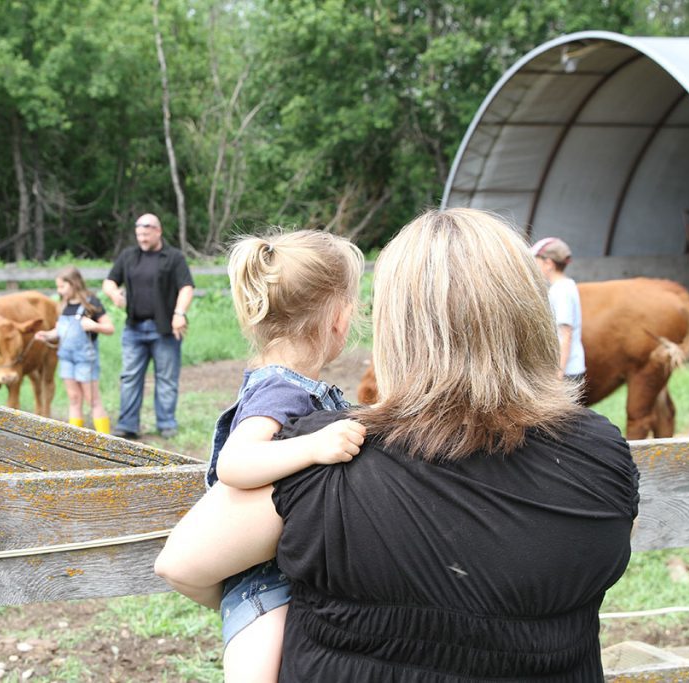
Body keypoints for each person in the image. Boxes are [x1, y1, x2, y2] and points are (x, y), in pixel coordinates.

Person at [156, 208, 639, 682]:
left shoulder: (330, 453)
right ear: (530, 312)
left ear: (397, 328)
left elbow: (183, 565)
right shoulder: (600, 458)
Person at [156, 230, 367, 682]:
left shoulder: (292, 383)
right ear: (338, 316)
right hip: (262, 585)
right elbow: (235, 464)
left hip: (284, 569)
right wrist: (312, 446)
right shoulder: (281, 388)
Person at [102, 213, 194, 439]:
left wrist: (179, 313)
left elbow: (186, 287)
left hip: (164, 329)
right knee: (130, 376)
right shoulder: (129, 256)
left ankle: (166, 424)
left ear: (157, 231)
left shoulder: (173, 257)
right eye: (139, 234)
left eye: (146, 234)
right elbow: (109, 281)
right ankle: (128, 425)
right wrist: (113, 293)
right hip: (134, 328)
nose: (142, 238)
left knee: (166, 378)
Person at [34, 266, 115, 433]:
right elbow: (60, 330)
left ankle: (106, 440)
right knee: (74, 398)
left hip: (85, 358)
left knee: (92, 400)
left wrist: (94, 326)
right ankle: (75, 440)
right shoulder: (63, 306)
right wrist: (47, 335)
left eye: (62, 287)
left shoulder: (92, 303)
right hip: (66, 357)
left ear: (74, 284)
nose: (59, 291)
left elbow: (109, 328)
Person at [532, 236, 586, 384]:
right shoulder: (564, 286)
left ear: (548, 263)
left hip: (566, 372)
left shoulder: (561, 291)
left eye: (536, 261)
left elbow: (565, 335)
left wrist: (557, 375)